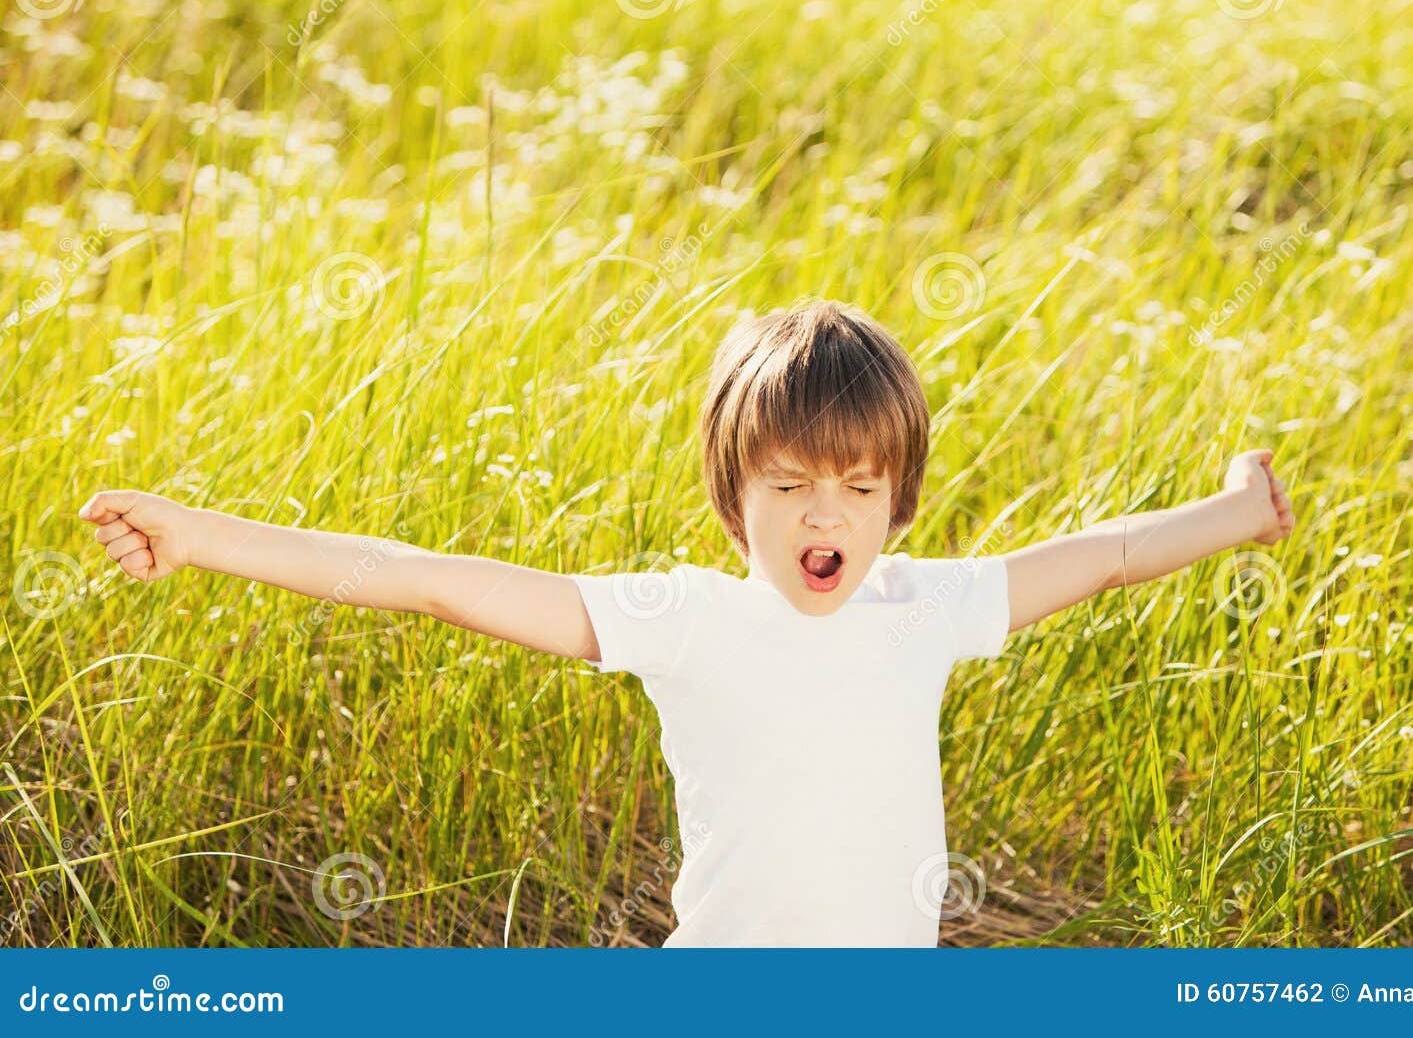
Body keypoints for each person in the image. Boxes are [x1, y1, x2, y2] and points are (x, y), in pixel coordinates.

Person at [79, 298, 1295, 946]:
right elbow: (430, 575)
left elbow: (1106, 558)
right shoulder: (682, 618)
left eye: (862, 488)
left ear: (898, 501)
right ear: (733, 496)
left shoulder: (928, 604)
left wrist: (1239, 510)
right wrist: (200, 534)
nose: (829, 513)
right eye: (790, 484)